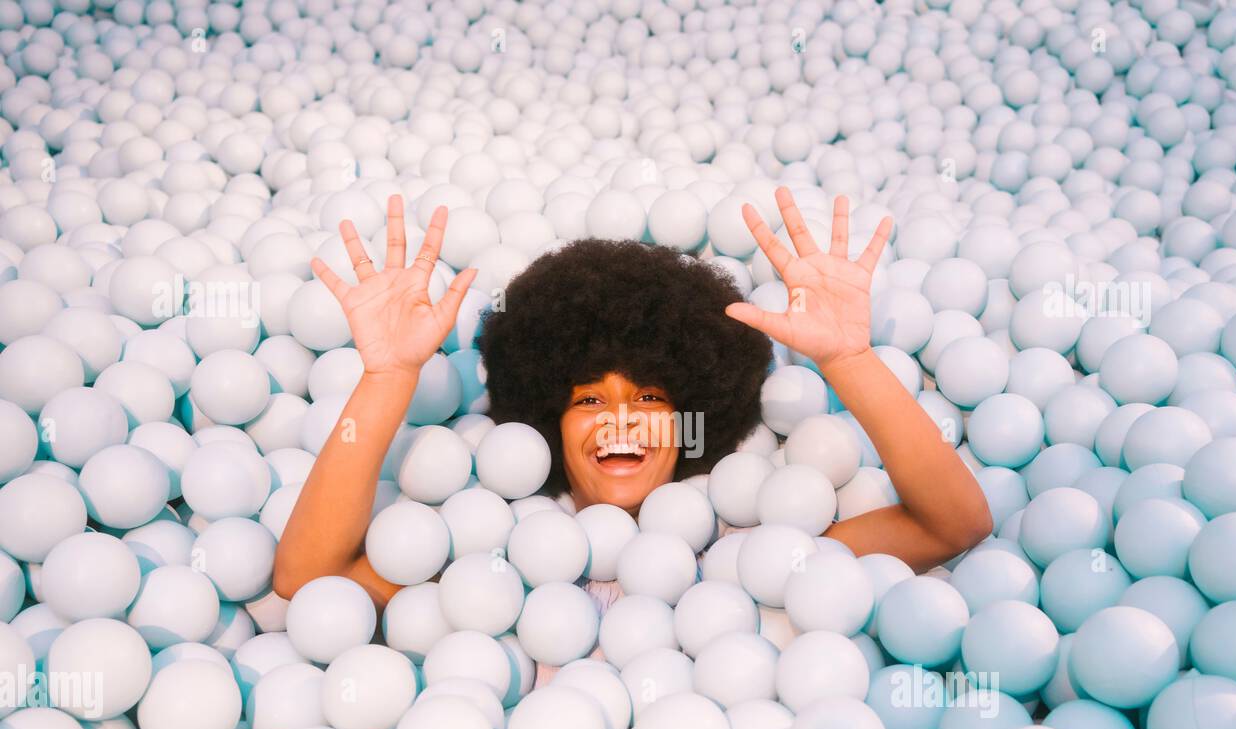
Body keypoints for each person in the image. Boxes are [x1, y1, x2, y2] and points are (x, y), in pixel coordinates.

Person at [273, 188, 993, 621]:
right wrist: (388, 377)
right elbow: (309, 587)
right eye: (589, 397)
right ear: (547, 423)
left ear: (693, 420)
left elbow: (952, 523)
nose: (620, 417)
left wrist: (849, 360)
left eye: (649, 394)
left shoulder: (749, 555)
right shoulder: (485, 555)